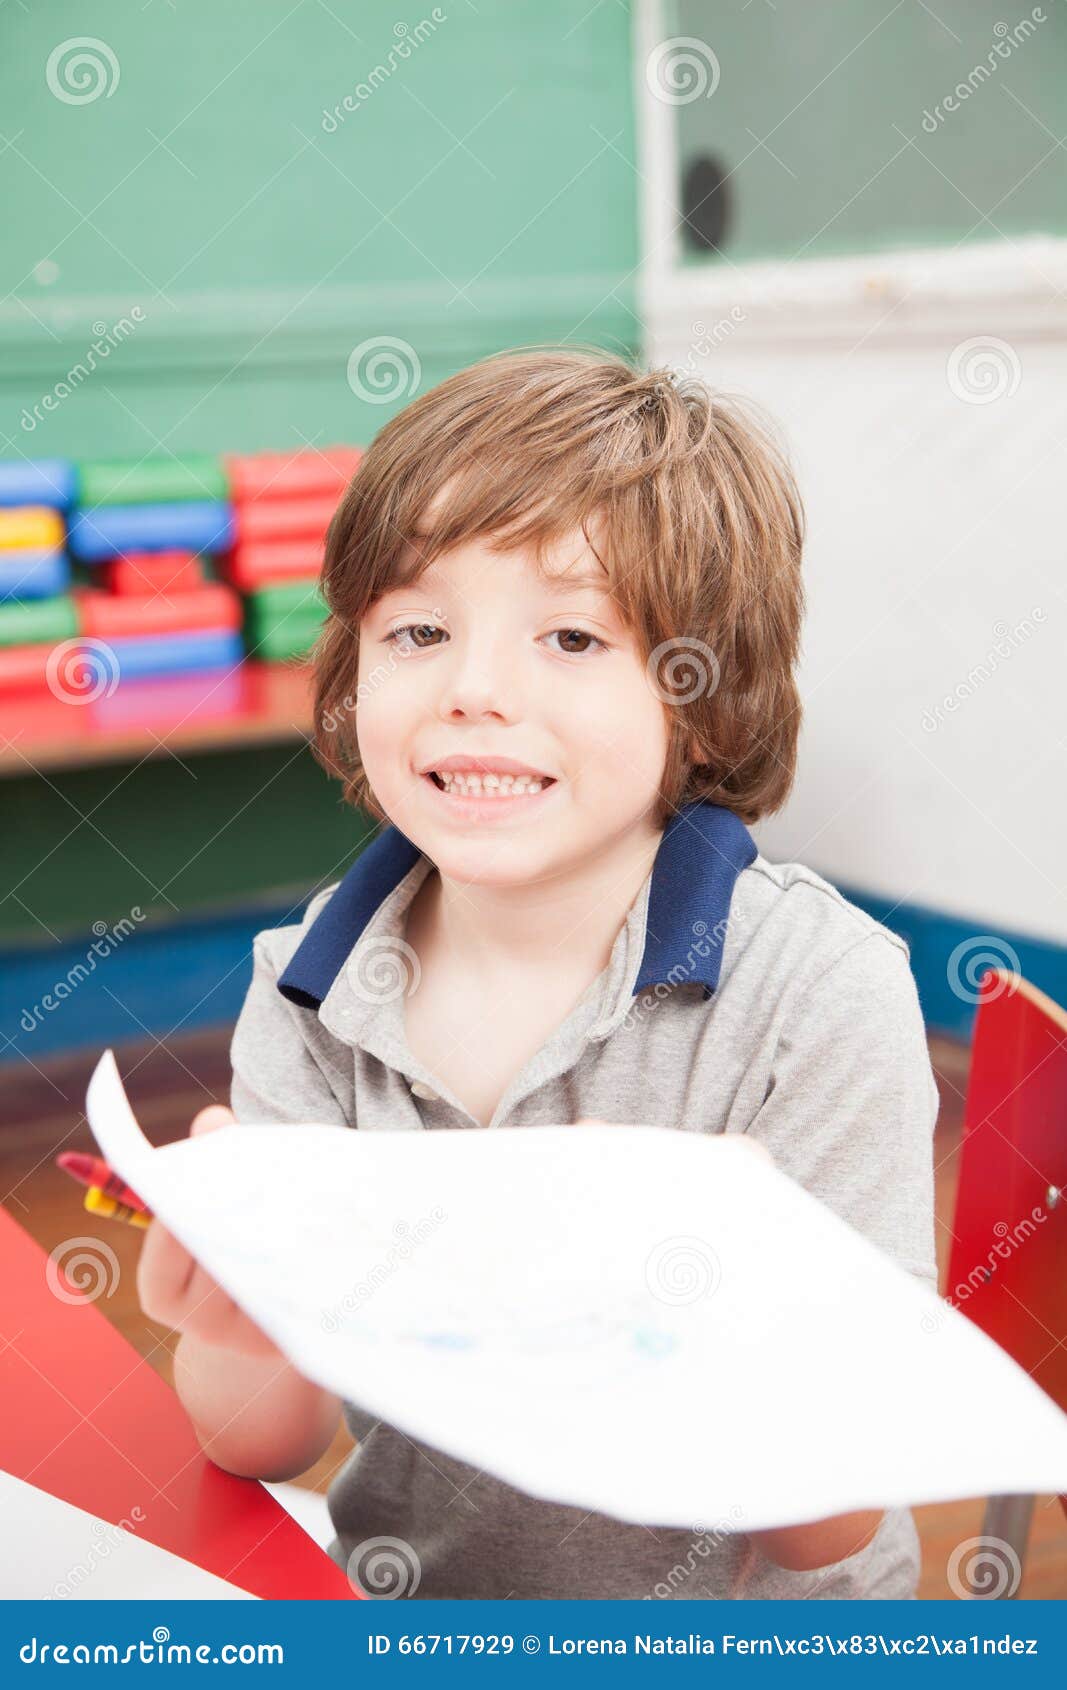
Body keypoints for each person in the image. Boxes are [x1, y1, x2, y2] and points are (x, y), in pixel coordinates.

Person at [137, 346, 938, 1599]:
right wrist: (230, 1321)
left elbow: (826, 1535)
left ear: (702, 696)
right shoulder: (306, 983)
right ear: (353, 674)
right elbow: (264, 1443)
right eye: (416, 629)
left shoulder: (819, 991)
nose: (472, 690)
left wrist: (744, 1293)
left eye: (570, 634)